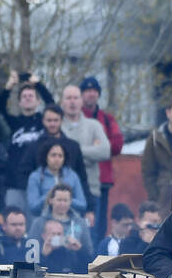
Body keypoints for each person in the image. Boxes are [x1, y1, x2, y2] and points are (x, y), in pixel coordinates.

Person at [0, 70, 57, 212]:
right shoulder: (12, 122)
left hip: (40, 183)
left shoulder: (45, 122)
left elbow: (53, 106)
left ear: (38, 101)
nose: (28, 98)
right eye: (24, 96)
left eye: (31, 96)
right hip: (14, 184)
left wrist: (38, 84)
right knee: (14, 224)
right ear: (19, 102)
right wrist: (9, 87)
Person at [79, 76, 125, 241]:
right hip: (79, 179)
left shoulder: (107, 118)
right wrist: (97, 146)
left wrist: (98, 146)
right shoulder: (75, 118)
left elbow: (117, 144)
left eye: (94, 91)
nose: (91, 94)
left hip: (102, 180)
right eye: (87, 91)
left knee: (98, 225)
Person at [60, 85, 110, 227]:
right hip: (62, 193)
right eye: (68, 98)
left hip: (91, 190)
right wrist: (90, 152)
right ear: (62, 102)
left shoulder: (94, 125)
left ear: (81, 101)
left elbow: (105, 151)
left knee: (90, 236)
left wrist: (75, 151)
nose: (72, 102)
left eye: (76, 98)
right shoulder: (57, 126)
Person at [26, 139, 86, 217]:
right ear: (45, 157)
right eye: (53, 155)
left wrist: (64, 199)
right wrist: (49, 196)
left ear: (64, 158)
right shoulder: (35, 176)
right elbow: (33, 207)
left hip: (69, 220)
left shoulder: (72, 176)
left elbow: (82, 204)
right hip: (45, 221)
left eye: (60, 156)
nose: (57, 159)